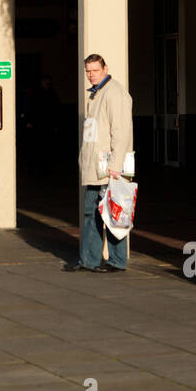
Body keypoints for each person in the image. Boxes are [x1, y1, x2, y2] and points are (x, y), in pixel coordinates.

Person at [66, 54, 133, 273]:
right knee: (93, 213)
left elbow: (121, 132)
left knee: (111, 213)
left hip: (107, 168)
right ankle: (90, 259)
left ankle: (114, 260)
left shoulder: (114, 93)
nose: (91, 74)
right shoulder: (96, 94)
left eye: (95, 70)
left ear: (105, 68)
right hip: (96, 167)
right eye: (88, 70)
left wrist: (115, 165)